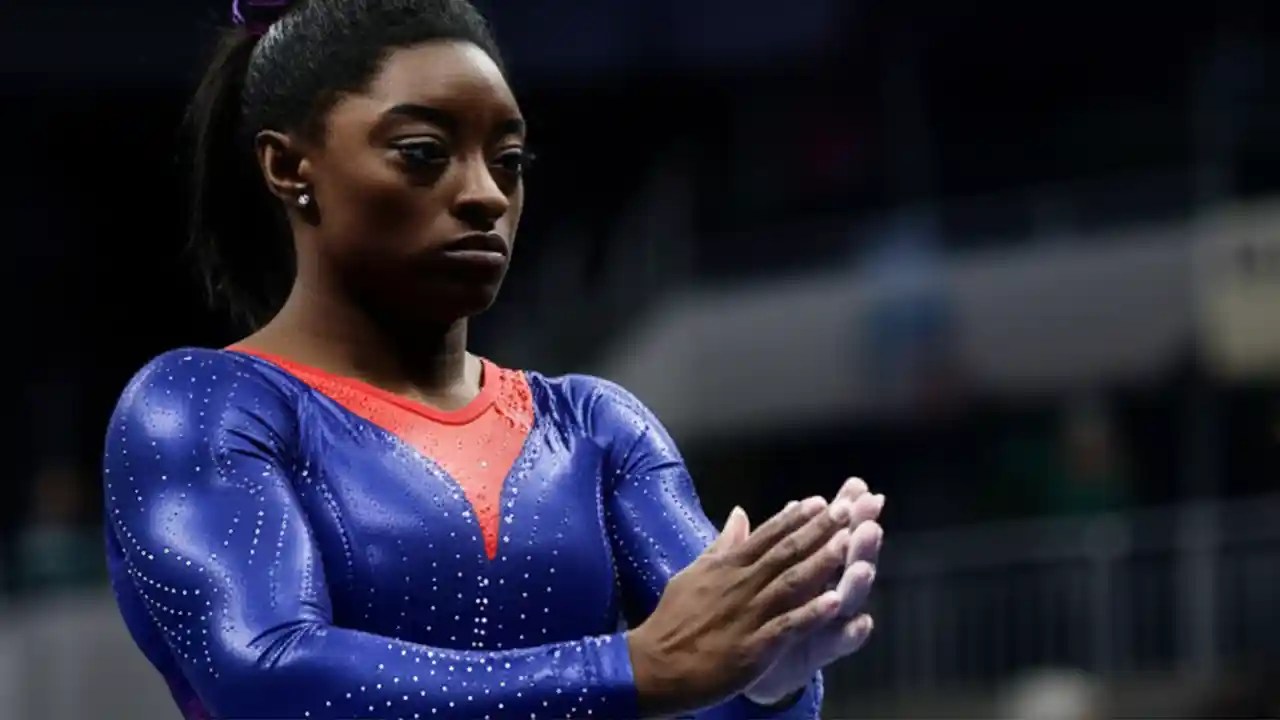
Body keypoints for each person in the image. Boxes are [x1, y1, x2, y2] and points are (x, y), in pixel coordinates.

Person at [101, 1, 886, 717]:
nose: (484, 195)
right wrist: (631, 668)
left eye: (508, 161)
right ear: (289, 167)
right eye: (422, 153)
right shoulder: (202, 406)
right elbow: (268, 673)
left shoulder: (592, 426)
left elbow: (693, 674)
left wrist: (767, 681)